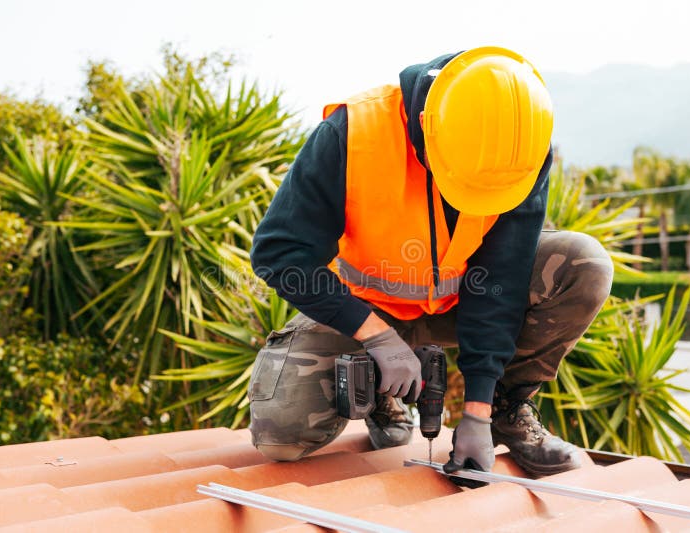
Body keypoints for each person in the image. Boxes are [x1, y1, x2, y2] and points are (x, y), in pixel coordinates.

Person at [248, 46, 614, 477]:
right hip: (362, 307)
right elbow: (278, 253)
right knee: (280, 438)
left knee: (584, 264)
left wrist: (475, 412)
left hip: (456, 305)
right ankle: (382, 390)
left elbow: (501, 280)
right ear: (425, 125)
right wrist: (377, 337)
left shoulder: (521, 150)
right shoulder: (353, 132)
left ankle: (506, 409)